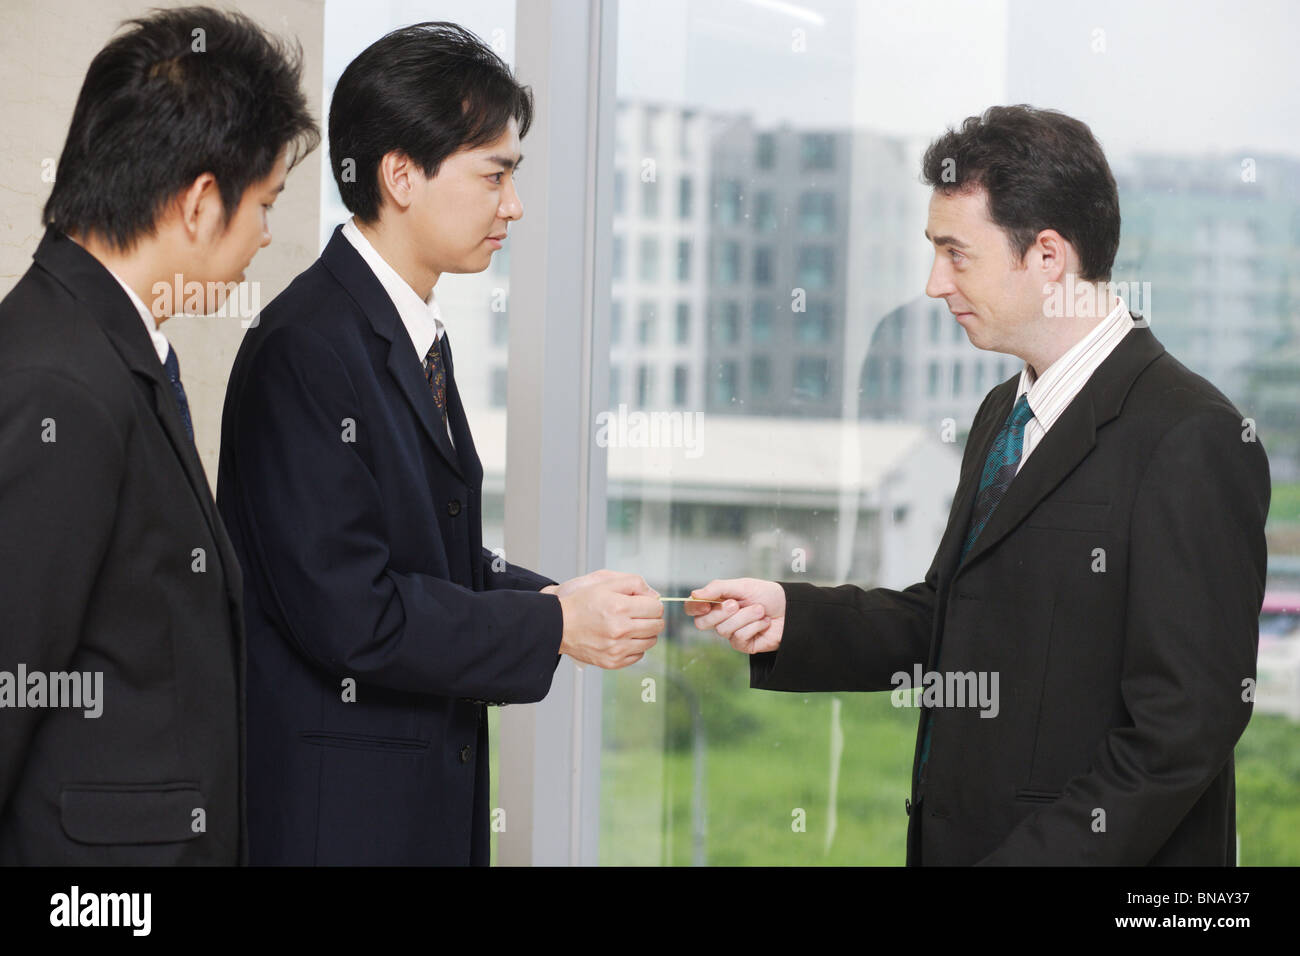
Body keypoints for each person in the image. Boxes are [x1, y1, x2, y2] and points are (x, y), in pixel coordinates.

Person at [688, 105, 1271, 866]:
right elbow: (953, 616)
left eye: (955, 254)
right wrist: (792, 616)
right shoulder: (1006, 408)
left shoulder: (1191, 436)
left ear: (1049, 257)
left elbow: (1179, 736)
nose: (935, 284)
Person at [216, 21, 664, 866]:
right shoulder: (305, 348)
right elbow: (356, 612)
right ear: (400, 175)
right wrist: (553, 624)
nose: (514, 205)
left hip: (412, 812)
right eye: (494, 174)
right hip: (340, 828)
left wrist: (560, 595)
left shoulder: (408, 334)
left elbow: (428, 554)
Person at [0, 6, 318, 864]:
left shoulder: (109, 347)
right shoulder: (54, 385)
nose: (264, 235)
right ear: (200, 200)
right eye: (264, 204)